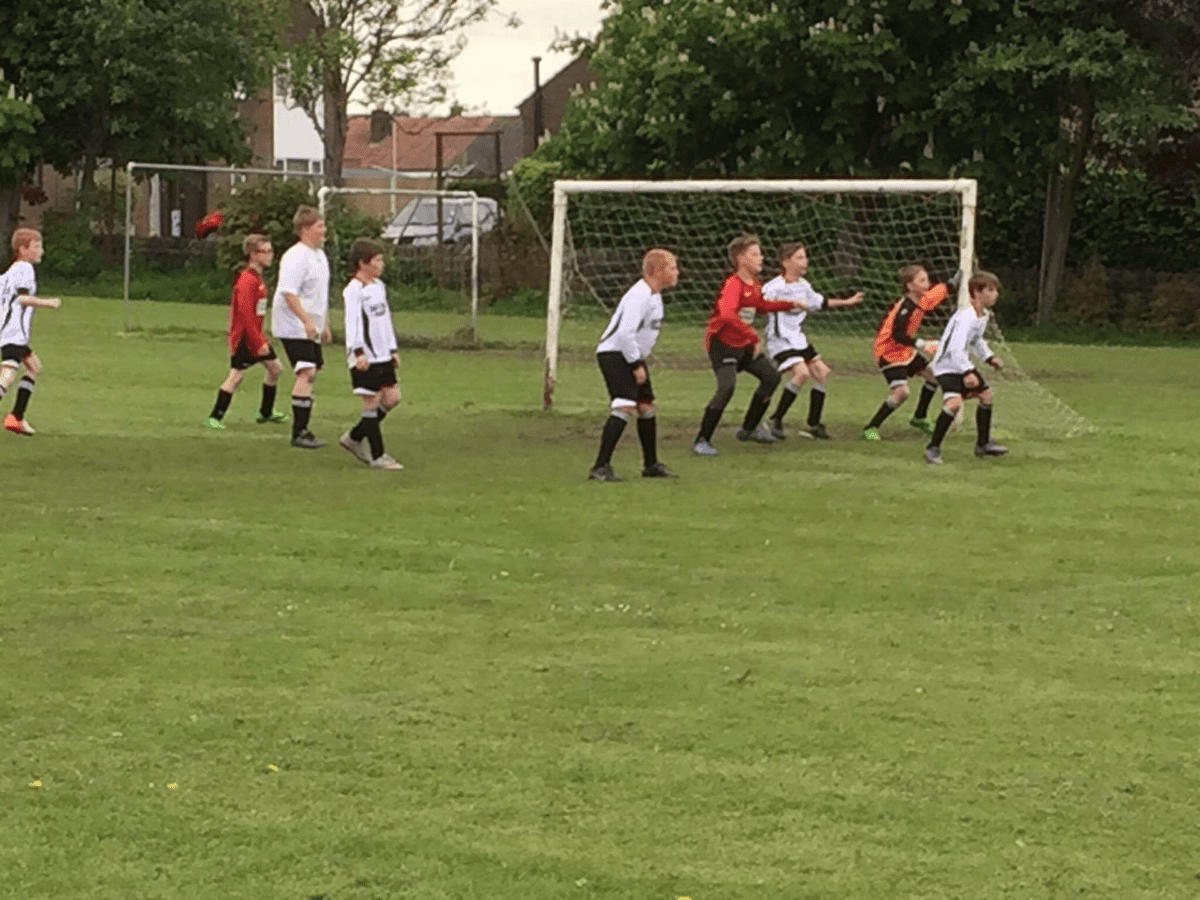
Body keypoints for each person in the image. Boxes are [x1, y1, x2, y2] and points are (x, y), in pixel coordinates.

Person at [692, 234, 806, 456]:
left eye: (760, 253)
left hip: (744, 346)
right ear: (740, 258)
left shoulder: (753, 284)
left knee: (771, 376)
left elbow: (759, 305)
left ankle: (749, 428)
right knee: (727, 387)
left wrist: (788, 304)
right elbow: (726, 315)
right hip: (723, 345)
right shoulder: (733, 284)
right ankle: (702, 440)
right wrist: (753, 337)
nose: (761, 258)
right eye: (755, 254)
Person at [589, 248, 680, 482]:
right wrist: (636, 364)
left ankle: (651, 465)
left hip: (631, 355)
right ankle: (600, 466)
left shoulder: (654, 296)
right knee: (624, 406)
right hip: (616, 354)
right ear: (658, 271)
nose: (677, 272)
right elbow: (625, 334)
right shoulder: (639, 294)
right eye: (672, 268)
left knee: (646, 407)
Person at [762, 242, 864, 440]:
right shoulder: (773, 287)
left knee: (822, 372)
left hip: (798, 340)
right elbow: (759, 305)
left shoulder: (804, 286)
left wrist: (848, 301)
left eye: (805, 257)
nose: (805, 261)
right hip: (780, 341)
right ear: (785, 262)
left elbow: (821, 302)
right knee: (801, 373)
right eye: (799, 258)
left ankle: (814, 424)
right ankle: (776, 419)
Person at [205, 234, 288, 430]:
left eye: (271, 251)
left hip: (256, 335)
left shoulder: (256, 279)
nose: (270, 255)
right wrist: (258, 342)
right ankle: (215, 416)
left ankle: (265, 412)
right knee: (236, 376)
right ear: (252, 255)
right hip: (245, 337)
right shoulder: (246, 281)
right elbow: (245, 315)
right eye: (264, 252)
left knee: (275, 369)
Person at [923, 271, 1008, 464]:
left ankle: (983, 444)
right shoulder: (966, 317)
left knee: (986, 395)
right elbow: (955, 347)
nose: (995, 294)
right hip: (946, 366)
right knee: (954, 404)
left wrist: (989, 357)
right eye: (990, 290)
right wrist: (967, 371)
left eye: (995, 290)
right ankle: (933, 448)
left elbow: (976, 341)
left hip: (959, 364)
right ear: (977, 293)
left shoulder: (982, 316)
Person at [861, 264, 953, 441]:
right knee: (901, 393)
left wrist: (956, 281)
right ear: (910, 286)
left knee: (934, 376)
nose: (927, 284)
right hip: (888, 351)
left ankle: (919, 417)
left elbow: (941, 290)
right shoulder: (906, 307)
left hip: (904, 349)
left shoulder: (921, 299)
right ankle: (870, 428)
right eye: (922, 280)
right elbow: (898, 334)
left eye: (927, 279)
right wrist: (923, 344)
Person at [338, 239, 403, 471]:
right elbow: (353, 323)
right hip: (365, 356)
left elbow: (384, 321)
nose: (381, 264)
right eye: (376, 260)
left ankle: (354, 438)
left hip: (383, 354)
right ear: (362, 263)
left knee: (392, 398)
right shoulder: (353, 290)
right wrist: (358, 353)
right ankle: (378, 456)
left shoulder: (379, 286)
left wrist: (392, 349)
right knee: (371, 401)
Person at [271, 205, 331, 449]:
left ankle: (303, 428)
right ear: (305, 229)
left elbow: (319, 295)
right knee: (306, 372)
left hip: (310, 325)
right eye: (319, 226)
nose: (324, 231)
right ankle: (300, 432)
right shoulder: (295, 256)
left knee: (313, 371)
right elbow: (288, 293)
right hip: (293, 324)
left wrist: (323, 323)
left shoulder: (319, 256)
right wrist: (306, 321)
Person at [0, 229, 61, 436]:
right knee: (7, 374)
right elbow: (22, 298)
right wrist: (49, 303)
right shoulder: (25, 268)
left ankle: (16, 417)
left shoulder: (7, 273)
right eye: (36, 246)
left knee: (33, 366)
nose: (40, 251)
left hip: (8, 331)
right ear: (22, 248)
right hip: (14, 332)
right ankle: (16, 417)